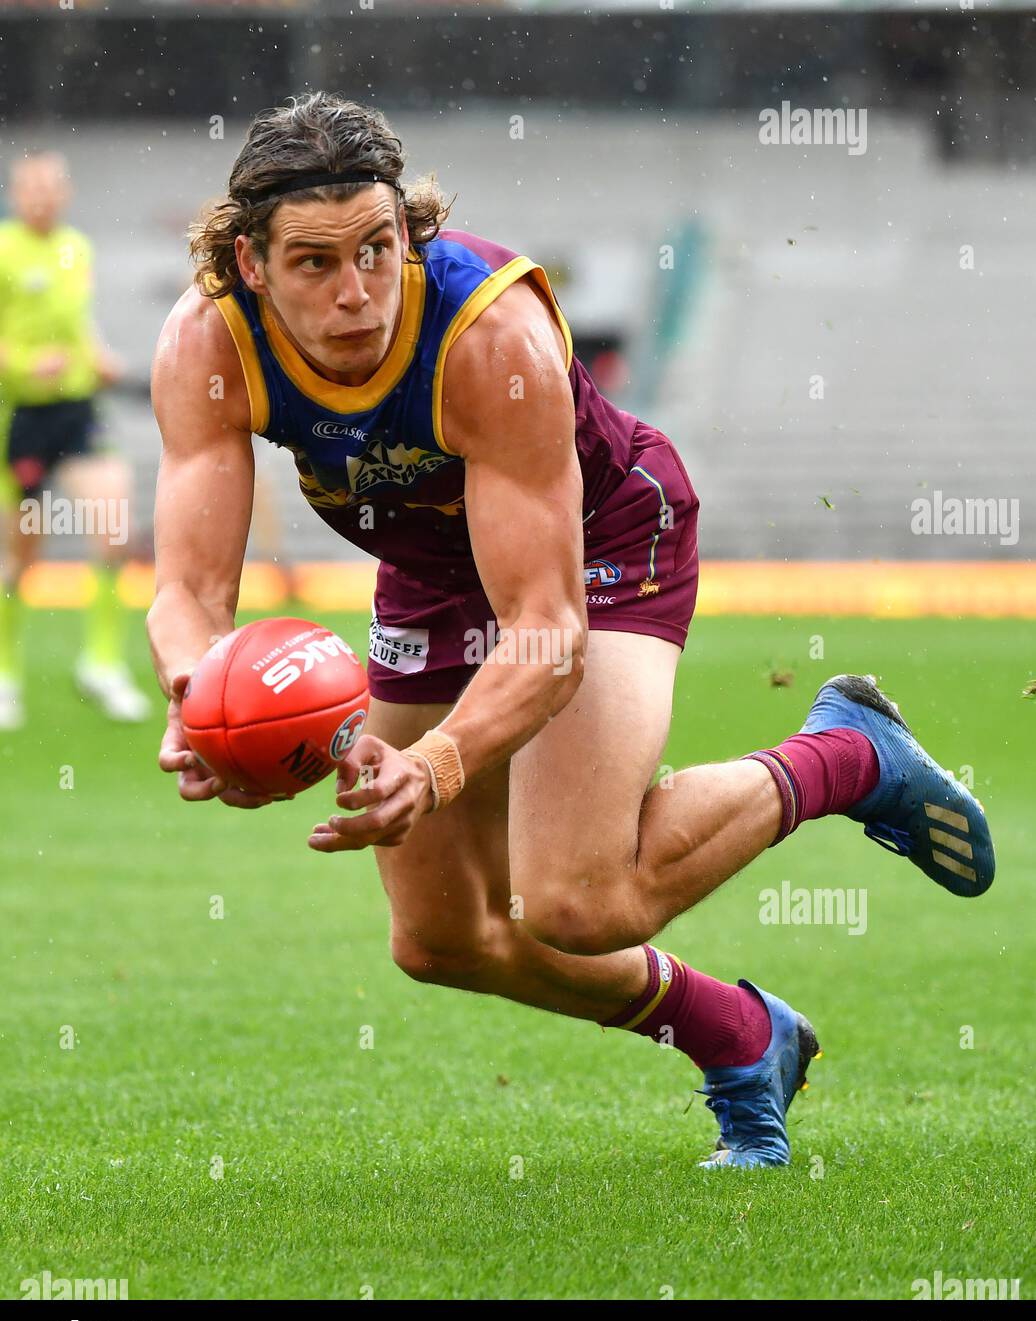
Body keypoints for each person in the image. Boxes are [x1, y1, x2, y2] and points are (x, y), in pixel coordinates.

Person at [148, 93, 993, 1169]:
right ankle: (742, 1034)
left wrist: (440, 764)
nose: (356, 292)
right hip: (434, 571)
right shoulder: (207, 339)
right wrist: (197, 698)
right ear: (249, 263)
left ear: (408, 232)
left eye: (377, 248)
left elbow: (544, 631)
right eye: (314, 263)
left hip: (604, 541)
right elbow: (187, 589)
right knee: (440, 938)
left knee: (577, 900)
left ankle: (847, 755)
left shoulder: (485, 332)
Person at [0, 152, 150, 728]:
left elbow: (77, 323)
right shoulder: (5, 249)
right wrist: (26, 364)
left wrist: (101, 360)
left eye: (51, 186)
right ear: (15, 193)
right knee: (22, 557)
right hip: (24, 419)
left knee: (113, 530)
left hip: (79, 411)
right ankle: (7, 672)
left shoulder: (76, 249)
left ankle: (102, 664)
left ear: (64, 193)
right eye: (30, 186)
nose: (41, 196)